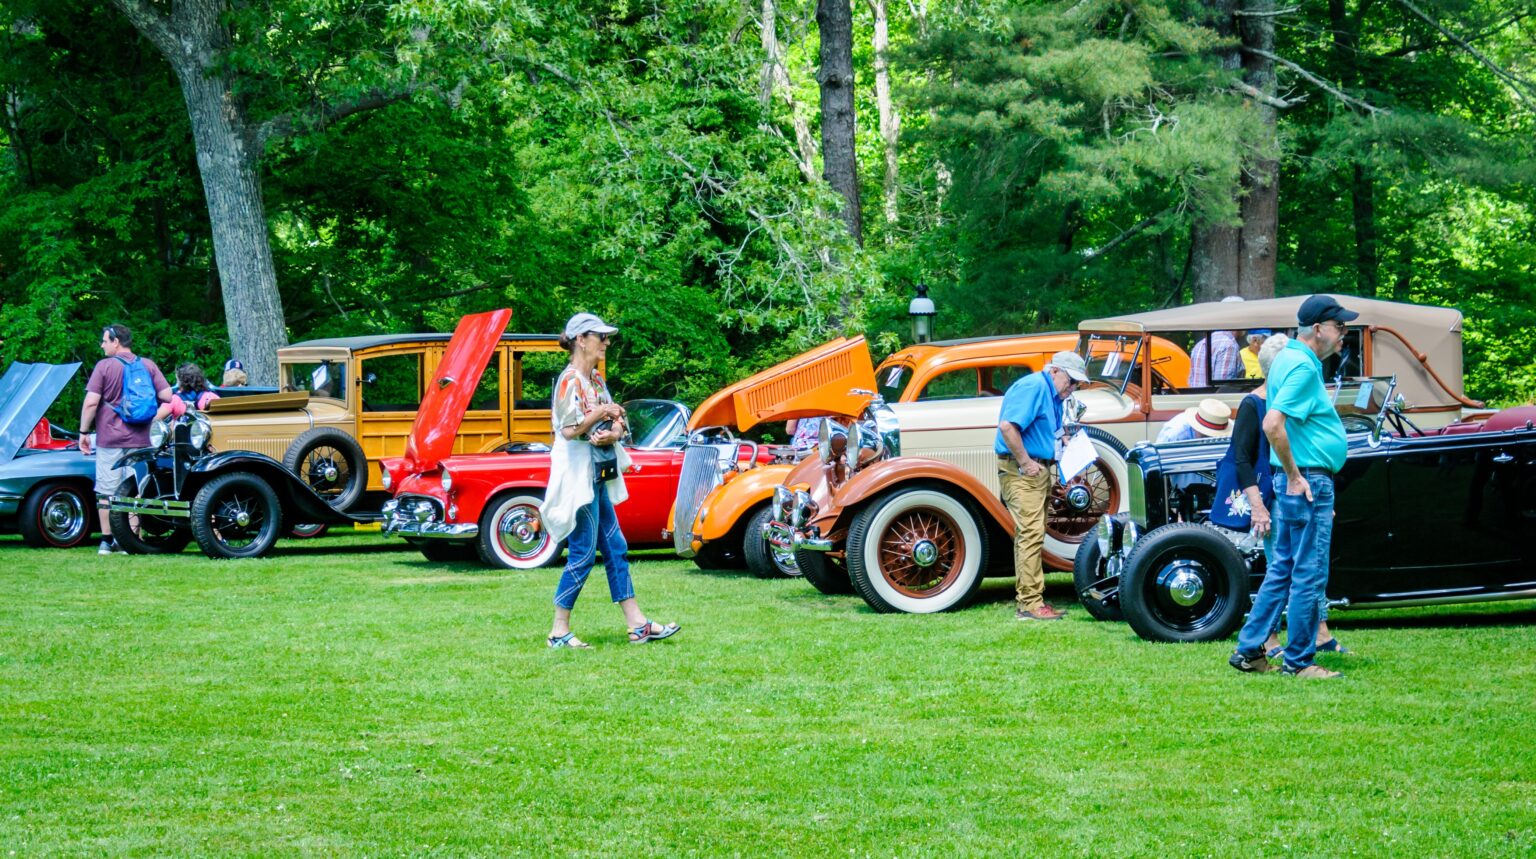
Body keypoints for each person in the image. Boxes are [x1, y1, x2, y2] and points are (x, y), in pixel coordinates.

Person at [1229, 295, 1355, 679]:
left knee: (1282, 568)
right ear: (1318, 329)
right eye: (1339, 327)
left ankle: (1249, 650)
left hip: (1294, 480)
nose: (1343, 334)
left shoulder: (1286, 359)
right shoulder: (1302, 367)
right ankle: (1300, 662)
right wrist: (1297, 476)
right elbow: (1272, 424)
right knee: (1308, 572)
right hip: (1308, 480)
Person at [540, 313, 679, 648]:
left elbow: (620, 421)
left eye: (606, 337)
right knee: (583, 553)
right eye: (600, 337)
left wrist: (613, 430)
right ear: (580, 339)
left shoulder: (597, 381)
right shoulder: (569, 381)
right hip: (578, 476)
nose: (606, 342)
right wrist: (601, 415)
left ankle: (638, 624)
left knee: (615, 546)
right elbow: (569, 430)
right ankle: (559, 629)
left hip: (598, 471)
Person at [995, 350, 1089, 621]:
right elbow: (1007, 427)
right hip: (1024, 471)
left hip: (1037, 469)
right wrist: (1026, 463)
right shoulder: (1034, 387)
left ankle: (1031, 600)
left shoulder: (1051, 393)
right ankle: (1029, 605)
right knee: (1031, 535)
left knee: (1032, 534)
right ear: (1055, 371)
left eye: (1077, 385)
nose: (1072, 389)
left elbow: (1047, 430)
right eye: (1071, 382)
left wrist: (1064, 444)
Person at [78, 324, 173, 555]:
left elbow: (91, 403)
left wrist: (83, 432)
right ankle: (132, 539)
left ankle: (107, 540)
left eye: (104, 341)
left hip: (110, 439)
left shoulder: (104, 367)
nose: (102, 345)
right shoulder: (148, 365)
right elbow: (168, 397)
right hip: (141, 441)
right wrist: (152, 421)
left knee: (106, 491)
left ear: (116, 341)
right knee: (135, 490)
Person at [1188, 296, 1245, 387]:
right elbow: (1222, 389)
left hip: (1199, 401)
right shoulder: (1228, 346)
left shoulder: (1200, 344)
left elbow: (1191, 383)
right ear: (1238, 318)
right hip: (1215, 401)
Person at [1155, 398, 1233, 444]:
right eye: (1205, 436)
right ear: (1196, 427)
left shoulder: (1233, 433)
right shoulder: (1174, 434)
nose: (1210, 440)